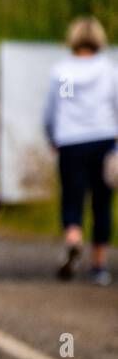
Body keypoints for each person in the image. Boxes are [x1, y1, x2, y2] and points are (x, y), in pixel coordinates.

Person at [43, 16, 117, 286]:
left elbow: (51, 111)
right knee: (102, 202)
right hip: (102, 138)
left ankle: (74, 239)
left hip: (71, 141)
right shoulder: (109, 70)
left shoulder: (62, 71)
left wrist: (52, 136)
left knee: (72, 198)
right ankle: (99, 266)